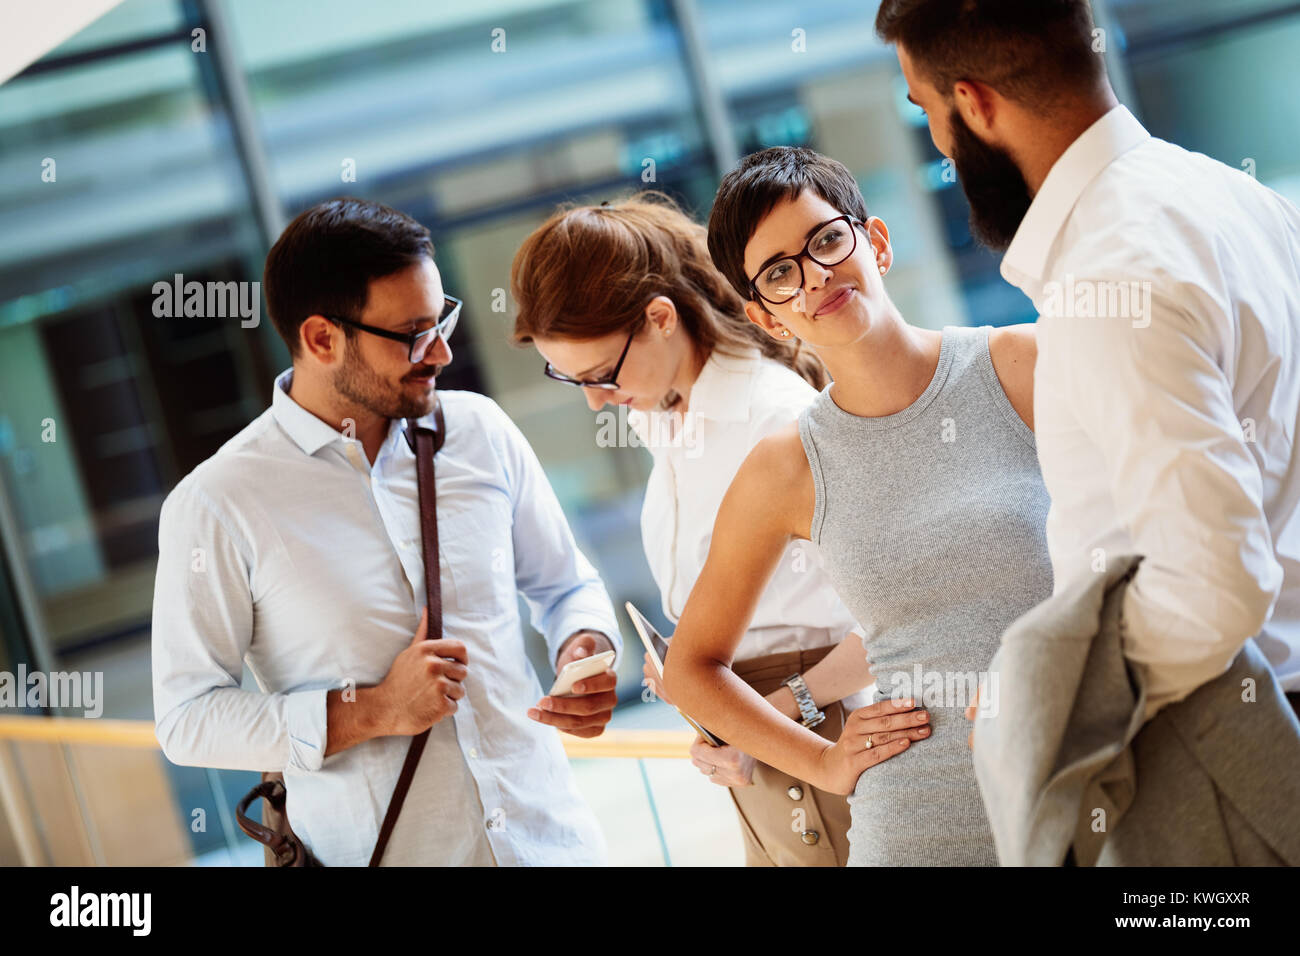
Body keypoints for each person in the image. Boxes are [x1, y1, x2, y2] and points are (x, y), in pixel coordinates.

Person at [874, 0, 1300, 861]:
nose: (937, 144)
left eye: (927, 111)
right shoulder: (1232, 194)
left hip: (1223, 763)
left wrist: (1037, 697)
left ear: (977, 102)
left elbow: (1215, 584)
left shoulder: (1112, 269)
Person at [152, 197, 623, 866]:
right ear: (321, 339)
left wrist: (585, 643)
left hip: (556, 847)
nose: (442, 351)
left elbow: (563, 584)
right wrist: (371, 710)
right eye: (412, 333)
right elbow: (186, 720)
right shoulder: (218, 503)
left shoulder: (479, 432)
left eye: (442, 321)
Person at [661, 146, 1052, 866]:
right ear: (768, 316)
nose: (813, 277)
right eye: (779, 273)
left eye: (826, 240)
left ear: (874, 241)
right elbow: (691, 670)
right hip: (922, 820)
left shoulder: (1022, 366)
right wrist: (823, 763)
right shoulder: (786, 465)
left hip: (1083, 772)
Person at [511, 193, 908, 866]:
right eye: (568, 378)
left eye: (601, 373)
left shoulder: (772, 418)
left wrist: (777, 709)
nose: (594, 399)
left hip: (820, 740)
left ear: (660, 318)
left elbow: (902, 614)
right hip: (762, 753)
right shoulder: (664, 415)